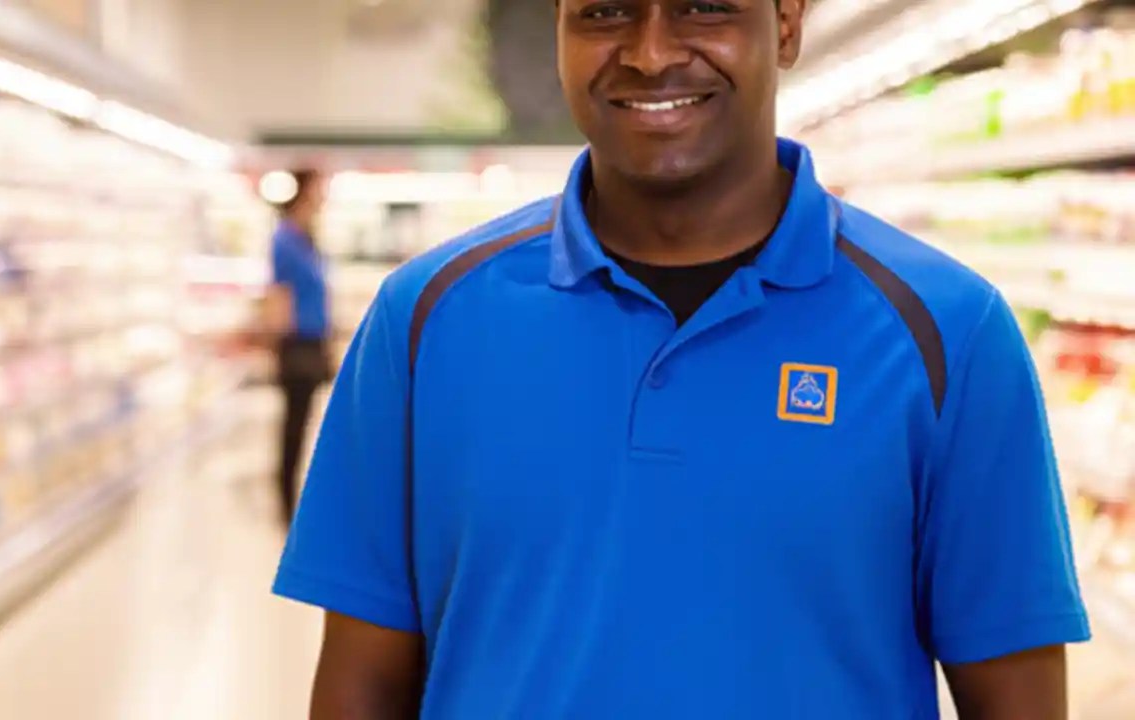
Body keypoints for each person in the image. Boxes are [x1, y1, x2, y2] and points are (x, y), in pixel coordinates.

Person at [273, 2, 1091, 717]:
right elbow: (361, 681)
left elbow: (1014, 696)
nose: (651, 52)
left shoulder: (948, 334)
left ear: (787, 21)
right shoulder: (425, 320)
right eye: (605, 11)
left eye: (704, 7)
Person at [265, 169, 332, 528]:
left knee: (305, 424)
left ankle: (298, 501)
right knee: (293, 426)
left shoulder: (308, 238)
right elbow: (279, 295)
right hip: (297, 345)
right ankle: (286, 503)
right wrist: (277, 345)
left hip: (314, 341)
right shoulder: (286, 239)